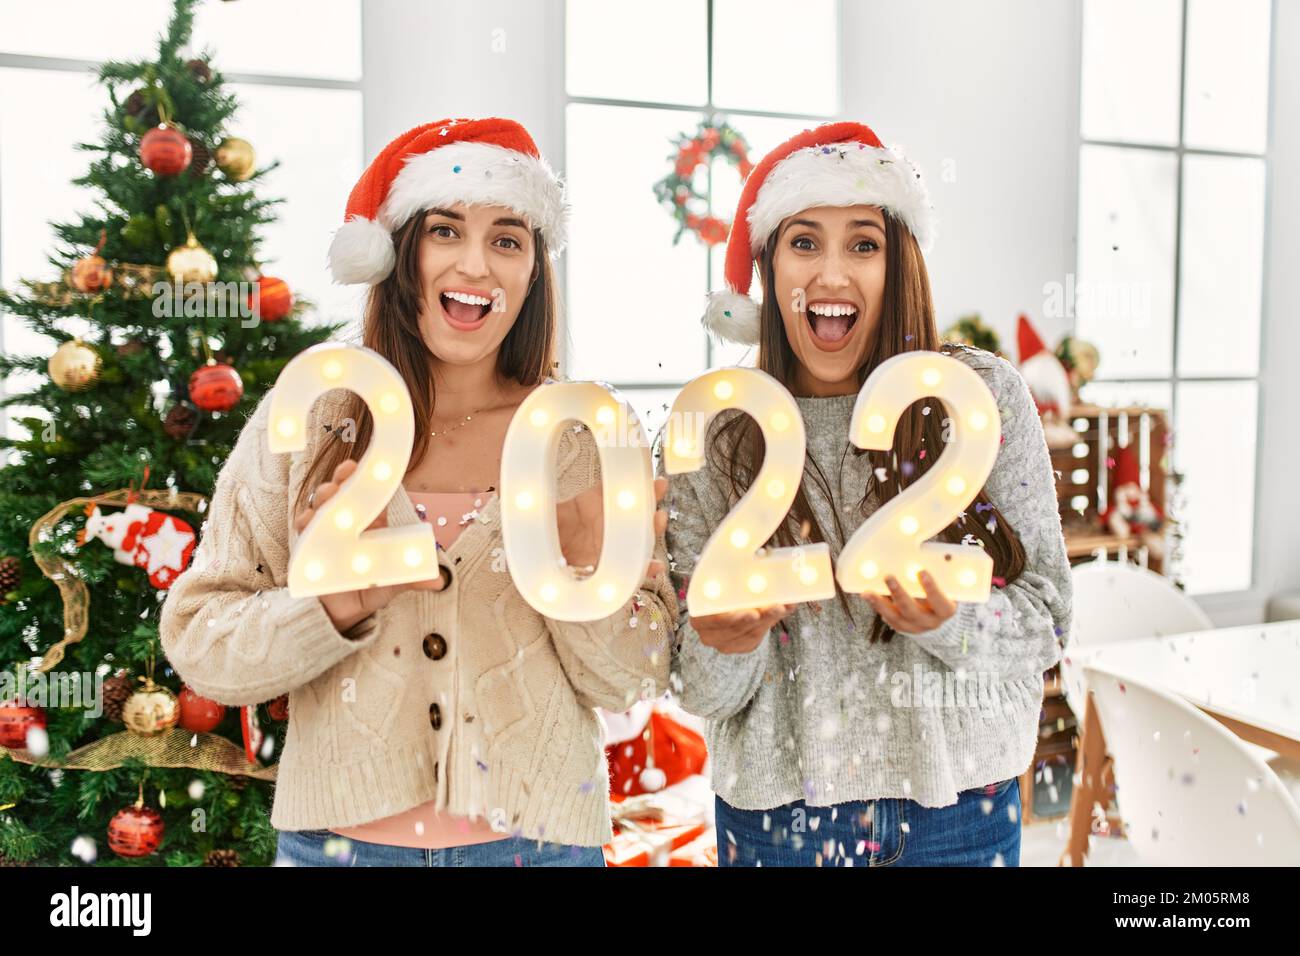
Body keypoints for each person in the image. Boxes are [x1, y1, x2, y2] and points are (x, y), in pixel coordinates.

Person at [160, 117, 677, 867]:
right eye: (445, 232)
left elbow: (629, 677)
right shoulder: (316, 414)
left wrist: (586, 581)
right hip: (338, 851)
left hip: (539, 850)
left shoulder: (587, 437)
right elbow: (203, 645)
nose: (476, 265)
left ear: (534, 268)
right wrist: (333, 606)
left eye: (507, 239)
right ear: (401, 254)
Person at [663, 121, 1072, 867]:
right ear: (768, 266)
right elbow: (697, 686)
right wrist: (728, 642)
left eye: (863, 244)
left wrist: (953, 621)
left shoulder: (982, 397)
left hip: (960, 815)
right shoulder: (717, 428)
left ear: (901, 264)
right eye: (803, 242)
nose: (830, 275)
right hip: (777, 820)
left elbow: (1048, 623)